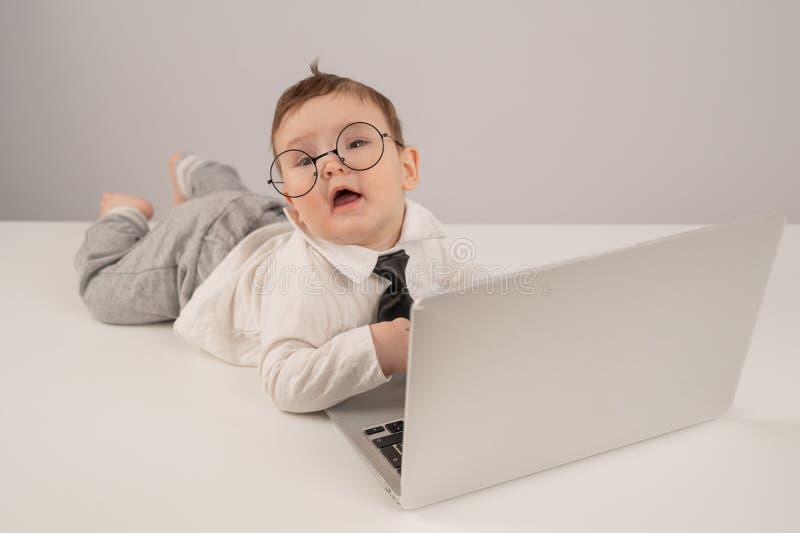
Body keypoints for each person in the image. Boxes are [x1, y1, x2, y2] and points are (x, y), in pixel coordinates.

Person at [74, 58, 471, 413]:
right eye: (304, 160)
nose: (331, 165)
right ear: (295, 206)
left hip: (259, 222)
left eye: (356, 142)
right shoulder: (300, 280)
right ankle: (123, 213)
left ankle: (199, 172)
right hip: (205, 248)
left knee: (237, 201)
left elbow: (461, 295)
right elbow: (285, 381)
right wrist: (376, 349)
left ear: (408, 169)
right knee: (104, 292)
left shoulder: (425, 234)